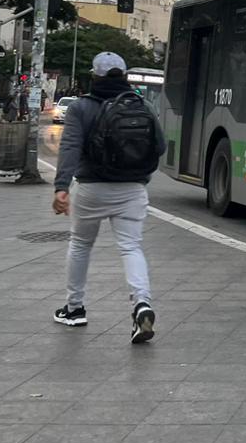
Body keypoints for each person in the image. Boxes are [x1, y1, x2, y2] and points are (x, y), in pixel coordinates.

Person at [52, 52, 166, 343]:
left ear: (95, 76)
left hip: (92, 187)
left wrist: (61, 187)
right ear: (124, 76)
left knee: (80, 245)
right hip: (132, 189)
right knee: (131, 247)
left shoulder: (82, 107)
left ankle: (74, 309)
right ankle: (142, 304)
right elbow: (161, 145)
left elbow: (70, 148)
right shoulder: (143, 105)